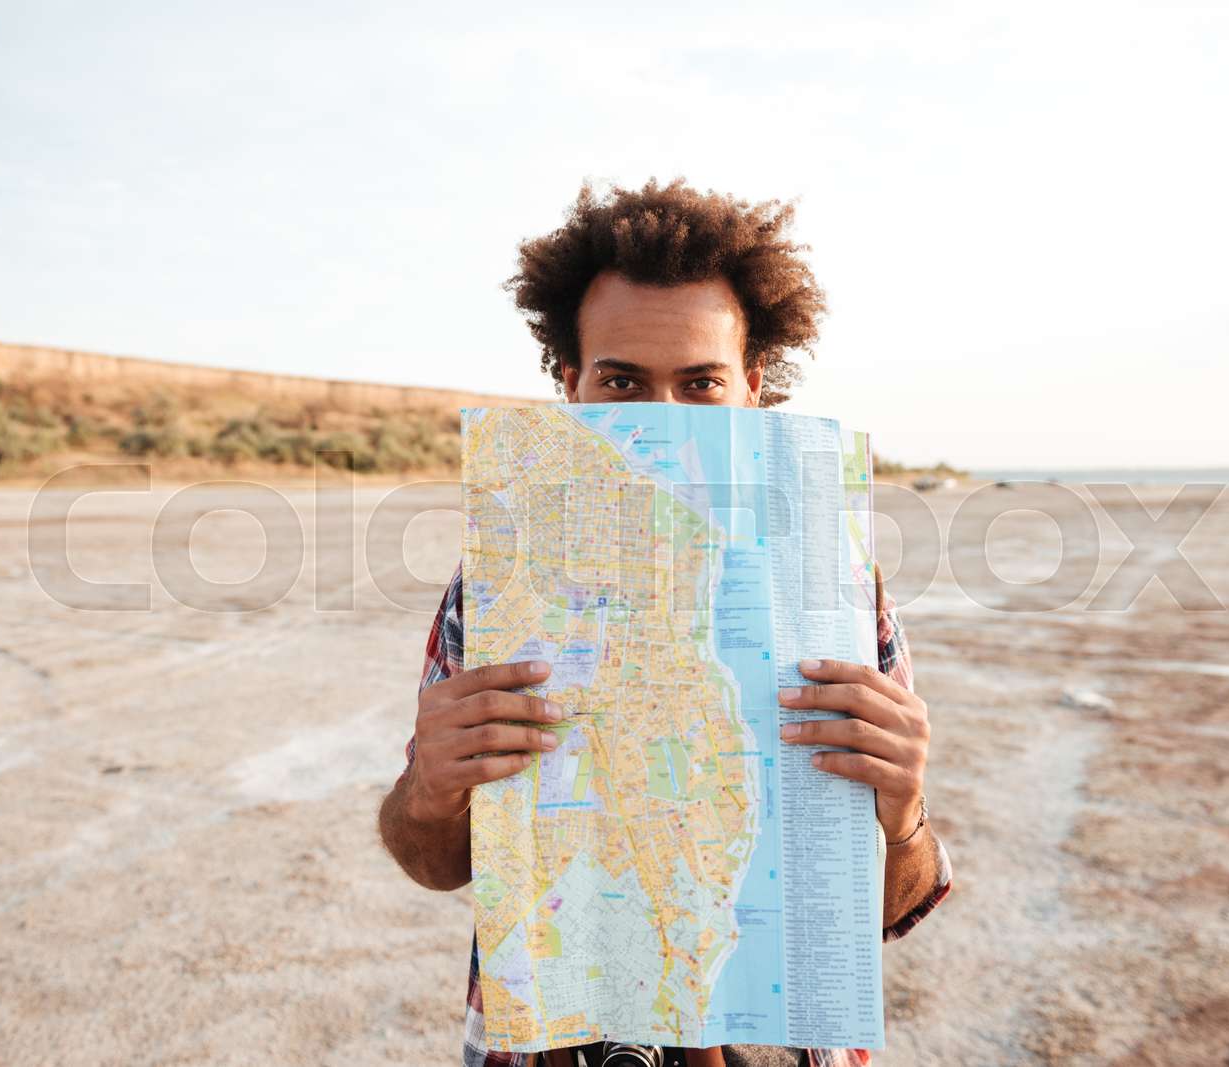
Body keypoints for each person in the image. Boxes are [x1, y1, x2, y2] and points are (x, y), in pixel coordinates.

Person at [378, 180, 953, 1067]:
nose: (660, 420)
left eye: (700, 383)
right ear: (570, 386)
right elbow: (436, 860)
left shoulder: (833, 586)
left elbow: (887, 909)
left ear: (752, 389)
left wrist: (905, 810)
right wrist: (430, 786)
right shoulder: (501, 584)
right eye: (621, 381)